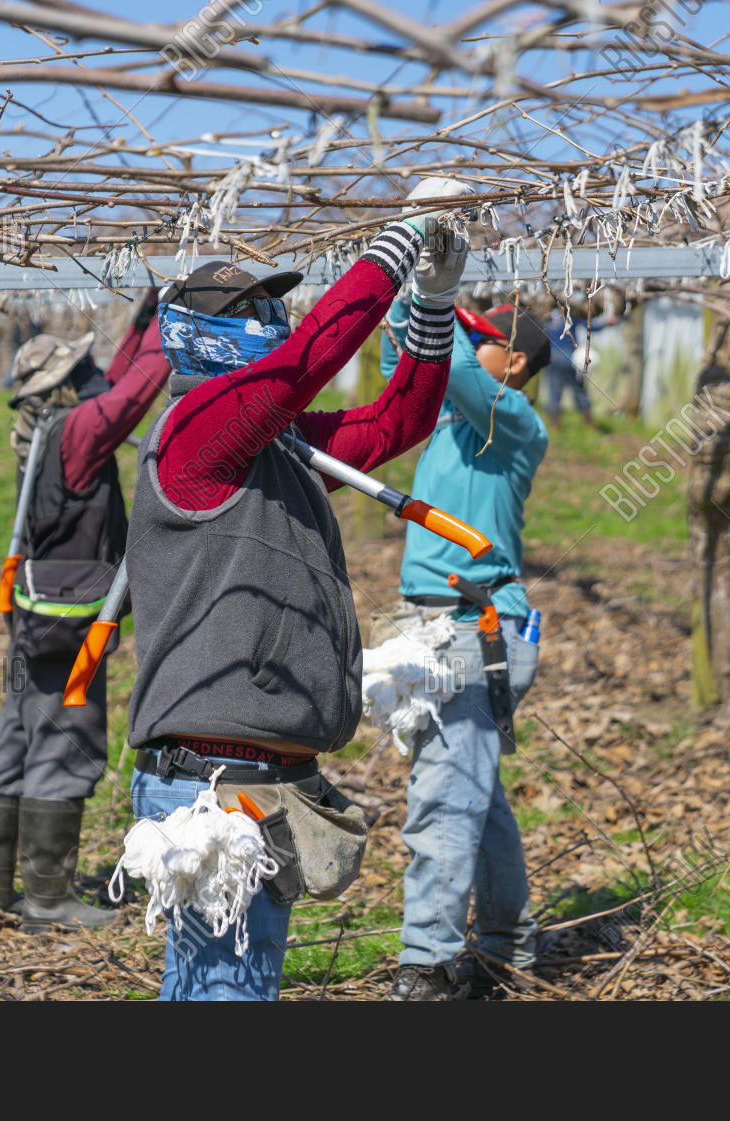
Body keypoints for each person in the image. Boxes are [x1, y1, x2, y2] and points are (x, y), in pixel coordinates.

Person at [125, 179, 471, 1001]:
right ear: (199, 333)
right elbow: (304, 362)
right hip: (218, 783)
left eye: (273, 308)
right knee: (228, 995)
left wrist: (434, 300)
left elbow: (395, 424)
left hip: (260, 771)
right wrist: (399, 240)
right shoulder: (195, 433)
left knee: (216, 990)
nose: (269, 320)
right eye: (249, 308)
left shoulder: (275, 445)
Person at [0, 291, 170, 933]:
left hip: (34, 621)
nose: (93, 375)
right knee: (65, 743)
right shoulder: (77, 433)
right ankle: (50, 899)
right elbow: (132, 397)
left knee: (14, 741)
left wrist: (144, 323)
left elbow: (116, 383)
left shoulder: (49, 429)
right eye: (81, 370)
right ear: (62, 387)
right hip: (67, 628)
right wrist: (178, 325)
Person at [378, 298, 551, 1000]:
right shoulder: (454, 414)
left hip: (474, 630)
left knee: (446, 800)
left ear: (513, 363)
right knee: (477, 795)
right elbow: (405, 361)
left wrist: (437, 291)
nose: (465, 345)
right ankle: (509, 949)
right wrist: (405, 289)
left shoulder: (513, 422)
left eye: (483, 340)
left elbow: (444, 358)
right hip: (442, 625)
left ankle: (429, 967)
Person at [542, 308, 593, 428]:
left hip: (552, 355)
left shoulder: (545, 313)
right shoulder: (570, 312)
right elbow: (590, 325)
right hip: (570, 356)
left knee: (554, 390)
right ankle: (589, 424)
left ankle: (554, 425)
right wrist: (607, 322)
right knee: (579, 389)